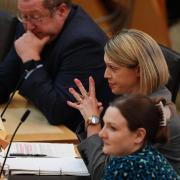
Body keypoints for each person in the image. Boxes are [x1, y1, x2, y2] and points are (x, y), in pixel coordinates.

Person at [67, 29, 180, 177]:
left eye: (113, 68)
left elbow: (104, 174)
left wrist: (93, 121)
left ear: (139, 70)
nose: (106, 75)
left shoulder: (150, 116)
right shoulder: (142, 100)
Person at [0, 0, 114, 131]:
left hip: (80, 136)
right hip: (40, 123)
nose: (28, 26)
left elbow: (57, 110)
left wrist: (30, 60)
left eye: (36, 17)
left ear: (61, 11)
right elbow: (3, 82)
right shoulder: (30, 27)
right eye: (23, 16)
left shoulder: (84, 43)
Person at [91, 95, 179, 179]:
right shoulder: (150, 155)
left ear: (139, 135)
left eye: (113, 128)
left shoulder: (126, 166)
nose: (101, 134)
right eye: (104, 124)